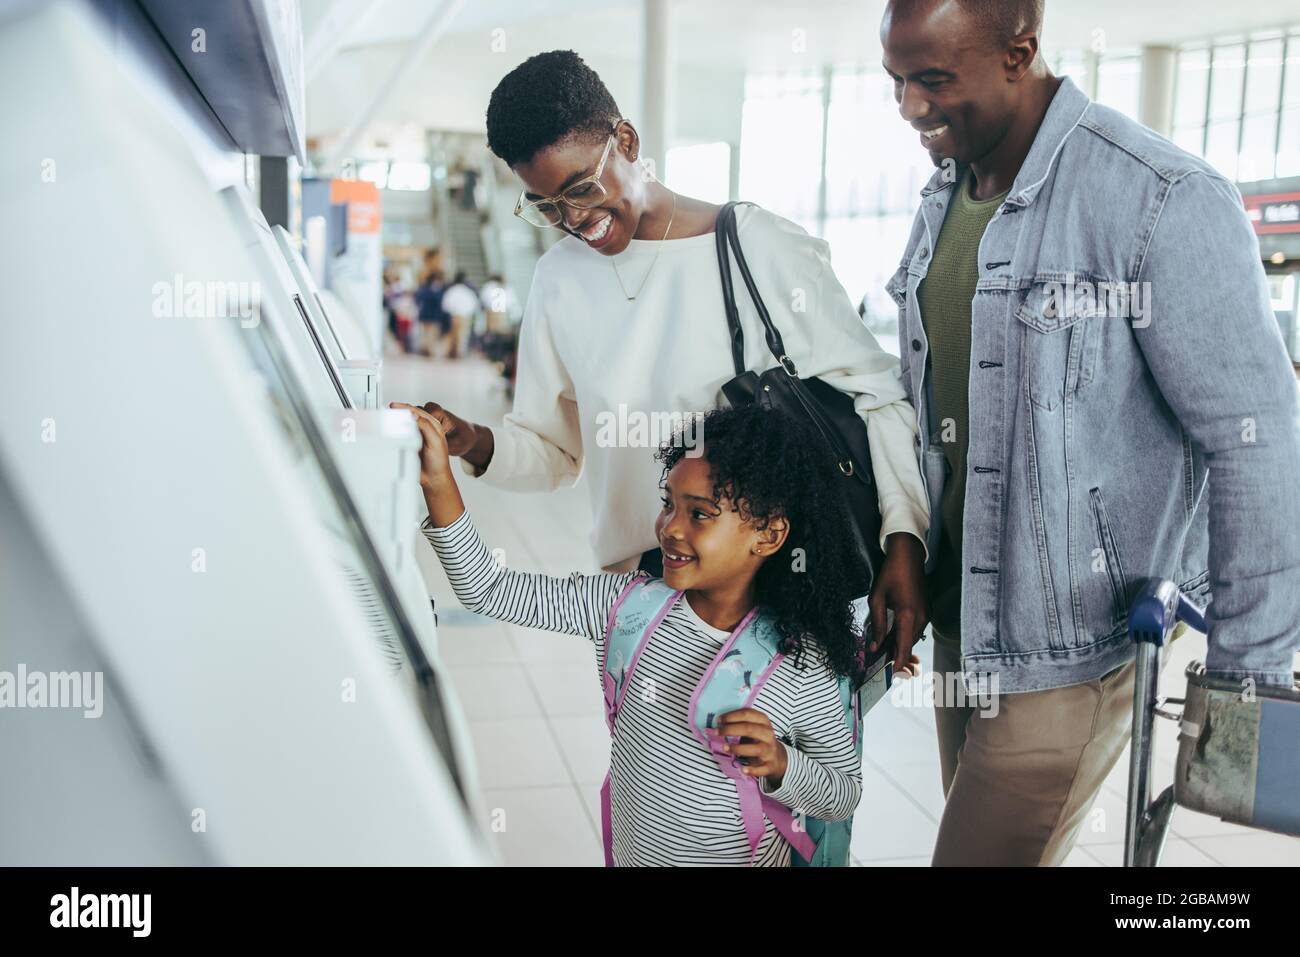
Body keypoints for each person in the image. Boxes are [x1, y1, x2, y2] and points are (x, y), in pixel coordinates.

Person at [880, 0, 1300, 865]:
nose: (910, 108)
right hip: (968, 622)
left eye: (933, 80)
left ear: (1019, 52)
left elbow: (1255, 437)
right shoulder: (945, 196)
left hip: (1069, 650)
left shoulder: (1160, 198)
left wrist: (1247, 676)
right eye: (897, 80)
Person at [413, 51, 931, 676]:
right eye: (547, 206)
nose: (575, 220)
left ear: (625, 140)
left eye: (581, 188)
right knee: (651, 774)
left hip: (774, 607)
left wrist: (904, 539)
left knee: (781, 774)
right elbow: (556, 453)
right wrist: (472, 440)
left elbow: (877, 396)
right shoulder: (558, 280)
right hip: (641, 611)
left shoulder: (756, 247)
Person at [398, 400, 875, 866]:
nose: (670, 528)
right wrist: (438, 481)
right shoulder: (625, 607)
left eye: (700, 514)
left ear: (768, 535)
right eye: (669, 504)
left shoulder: (800, 663)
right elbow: (490, 590)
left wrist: (782, 764)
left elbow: (843, 795)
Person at [414, 249, 449, 357]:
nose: (439, 261)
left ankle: (429, 347)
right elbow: (420, 289)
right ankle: (427, 348)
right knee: (428, 328)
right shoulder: (424, 272)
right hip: (428, 306)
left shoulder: (441, 273)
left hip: (435, 307)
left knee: (432, 329)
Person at [440, 270, 480, 359]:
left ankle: (453, 352)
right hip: (465, 316)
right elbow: (474, 304)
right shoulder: (468, 291)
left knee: (453, 335)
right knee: (463, 335)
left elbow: (445, 304)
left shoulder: (451, 290)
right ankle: (460, 353)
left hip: (454, 315)